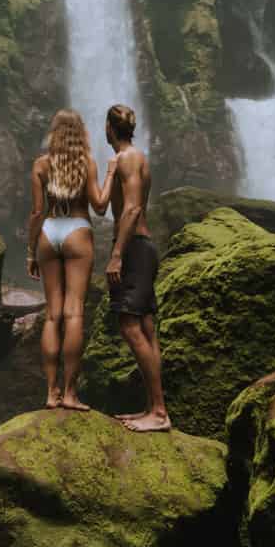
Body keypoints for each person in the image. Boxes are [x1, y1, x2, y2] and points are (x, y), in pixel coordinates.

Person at [27, 108, 112, 411]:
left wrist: (30, 251)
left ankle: (50, 394)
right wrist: (112, 173)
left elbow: (37, 212)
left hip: (49, 232)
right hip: (77, 229)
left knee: (53, 315)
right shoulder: (86, 163)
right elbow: (101, 207)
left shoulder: (40, 165)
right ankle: (70, 393)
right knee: (74, 314)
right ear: (81, 135)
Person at [104, 102, 171, 432]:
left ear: (109, 128)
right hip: (142, 248)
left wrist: (117, 253)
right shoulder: (134, 159)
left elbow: (130, 210)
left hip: (134, 249)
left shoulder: (128, 158)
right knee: (145, 328)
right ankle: (153, 408)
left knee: (130, 325)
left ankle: (159, 412)